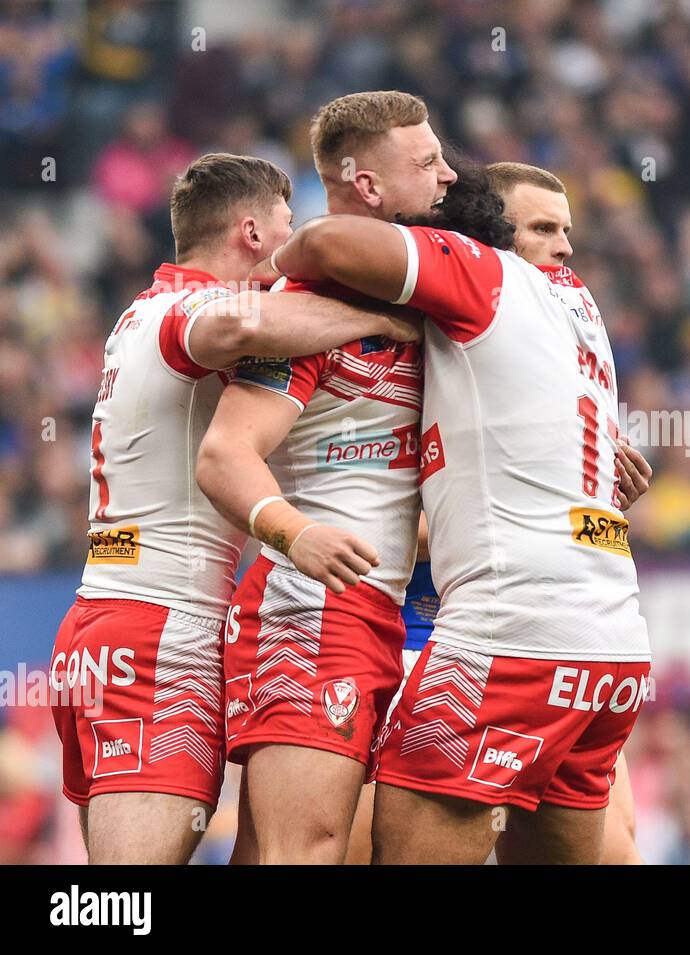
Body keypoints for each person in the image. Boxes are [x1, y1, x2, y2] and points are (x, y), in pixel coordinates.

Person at [250, 169, 653, 866]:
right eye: (543, 228)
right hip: (606, 638)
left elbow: (324, 244)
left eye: (566, 231)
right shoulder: (571, 317)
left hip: (498, 630)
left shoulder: (488, 281)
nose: (563, 248)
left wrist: (264, 272)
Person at [48, 152, 419, 864]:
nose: (295, 244)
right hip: (157, 629)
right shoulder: (190, 308)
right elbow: (239, 330)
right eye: (286, 225)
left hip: (109, 619)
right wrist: (378, 317)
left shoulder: (135, 313)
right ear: (251, 232)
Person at [195, 91, 456, 864]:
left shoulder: (439, 296)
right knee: (303, 851)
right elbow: (225, 452)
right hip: (315, 608)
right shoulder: (306, 308)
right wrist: (293, 531)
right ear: (368, 187)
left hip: (400, 614)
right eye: (427, 162)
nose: (447, 176)